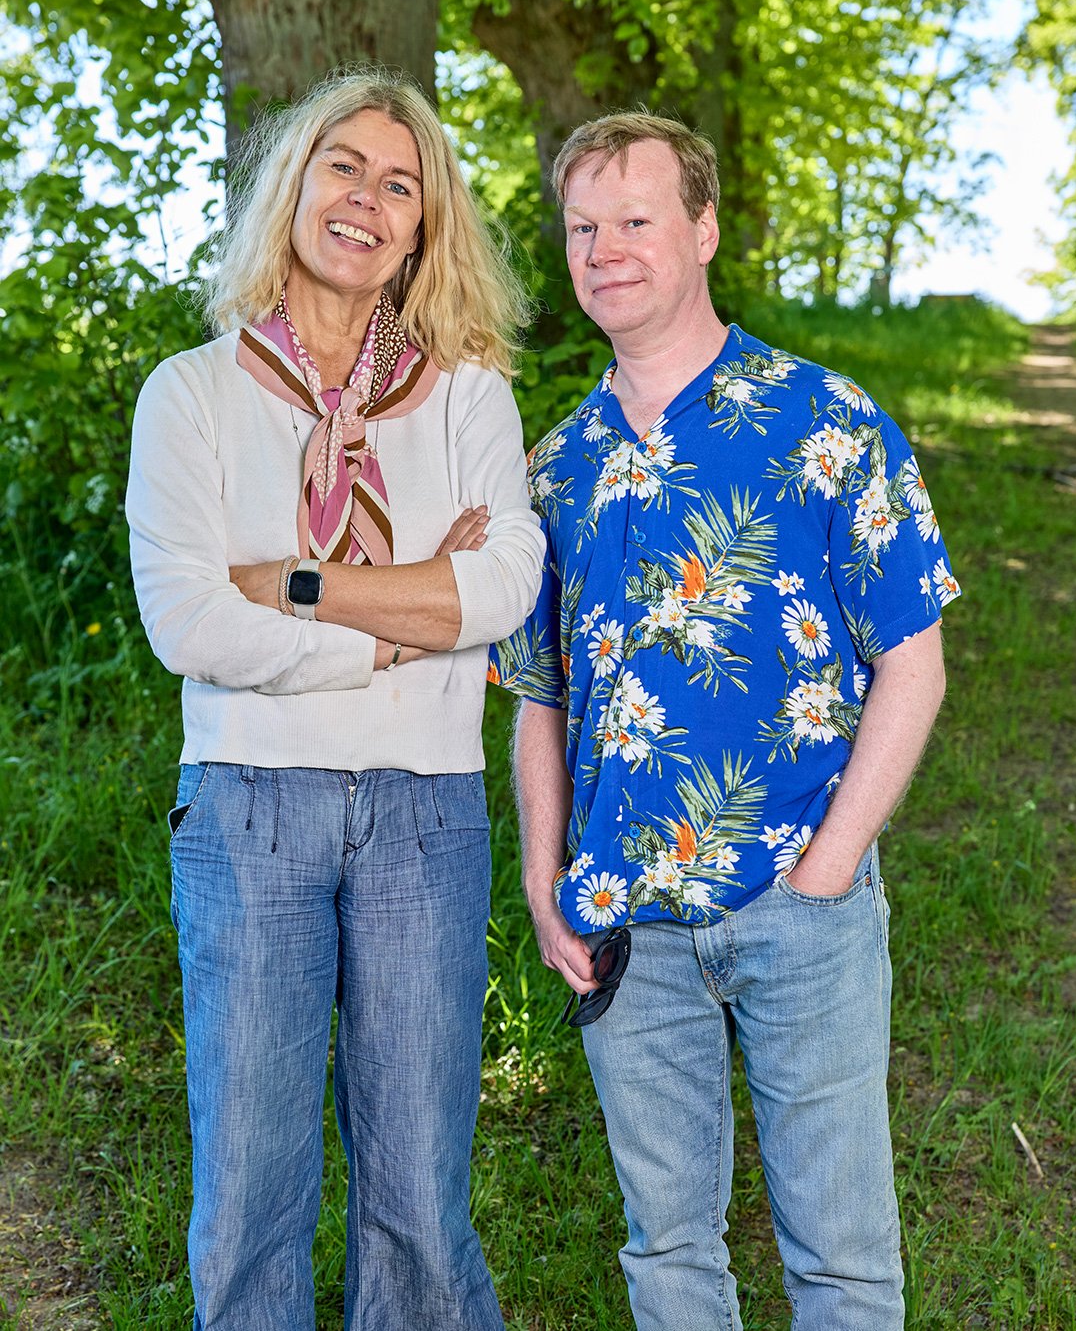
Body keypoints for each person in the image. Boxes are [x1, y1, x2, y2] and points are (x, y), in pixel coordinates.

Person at [489, 110, 960, 1330]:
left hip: (797, 900)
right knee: (669, 1256)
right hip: (623, 928)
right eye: (584, 226)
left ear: (701, 229)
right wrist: (544, 883)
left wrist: (832, 864)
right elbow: (538, 696)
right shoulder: (553, 472)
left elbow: (914, 662)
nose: (604, 249)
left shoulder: (825, 421)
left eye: (635, 220)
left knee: (844, 1260)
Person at [127, 68, 544, 1330]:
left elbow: (504, 588)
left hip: (427, 812)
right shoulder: (189, 395)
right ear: (292, 188)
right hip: (248, 808)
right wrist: (394, 631)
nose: (367, 198)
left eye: (400, 184)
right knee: (251, 1189)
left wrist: (298, 586)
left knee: (418, 1191)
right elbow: (192, 623)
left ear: (425, 227)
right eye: (343, 167)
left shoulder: (468, 391)